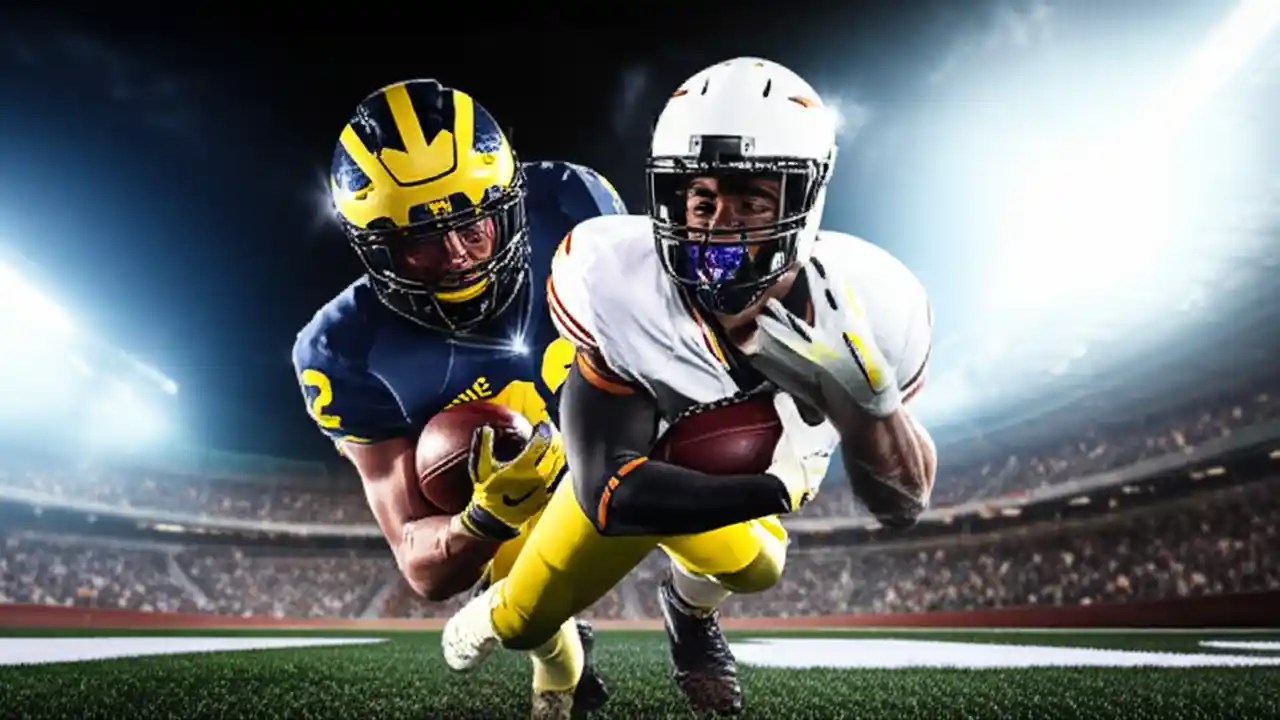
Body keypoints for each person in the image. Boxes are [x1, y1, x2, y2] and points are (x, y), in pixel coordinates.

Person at [442, 57, 937, 716]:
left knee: (761, 568)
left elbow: (903, 503)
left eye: (752, 199)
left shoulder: (873, 302)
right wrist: (775, 488)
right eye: (701, 197)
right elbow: (611, 494)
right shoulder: (614, 279)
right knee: (525, 624)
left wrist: (872, 410)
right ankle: (491, 621)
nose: (717, 226)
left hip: (703, 490)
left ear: (803, 201)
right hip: (627, 478)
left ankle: (687, 615)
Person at [291, 78, 626, 719]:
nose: (458, 258)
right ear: (375, 246)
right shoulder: (343, 352)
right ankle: (556, 658)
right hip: (504, 481)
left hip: (613, 421)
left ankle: (692, 613)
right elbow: (421, 566)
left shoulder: (574, 206)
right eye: (419, 241)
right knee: (524, 601)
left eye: (473, 226)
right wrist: (485, 518)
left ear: (510, 203)